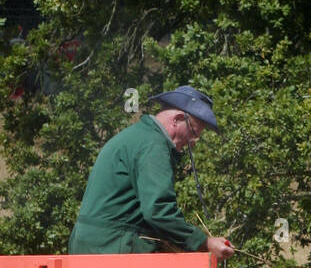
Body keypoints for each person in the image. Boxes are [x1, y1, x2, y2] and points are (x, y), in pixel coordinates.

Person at [68, 85, 234, 258]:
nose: (193, 142)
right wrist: (204, 242)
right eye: (193, 132)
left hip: (95, 245)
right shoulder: (154, 145)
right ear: (177, 119)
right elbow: (158, 210)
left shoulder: (137, 136)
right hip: (113, 247)